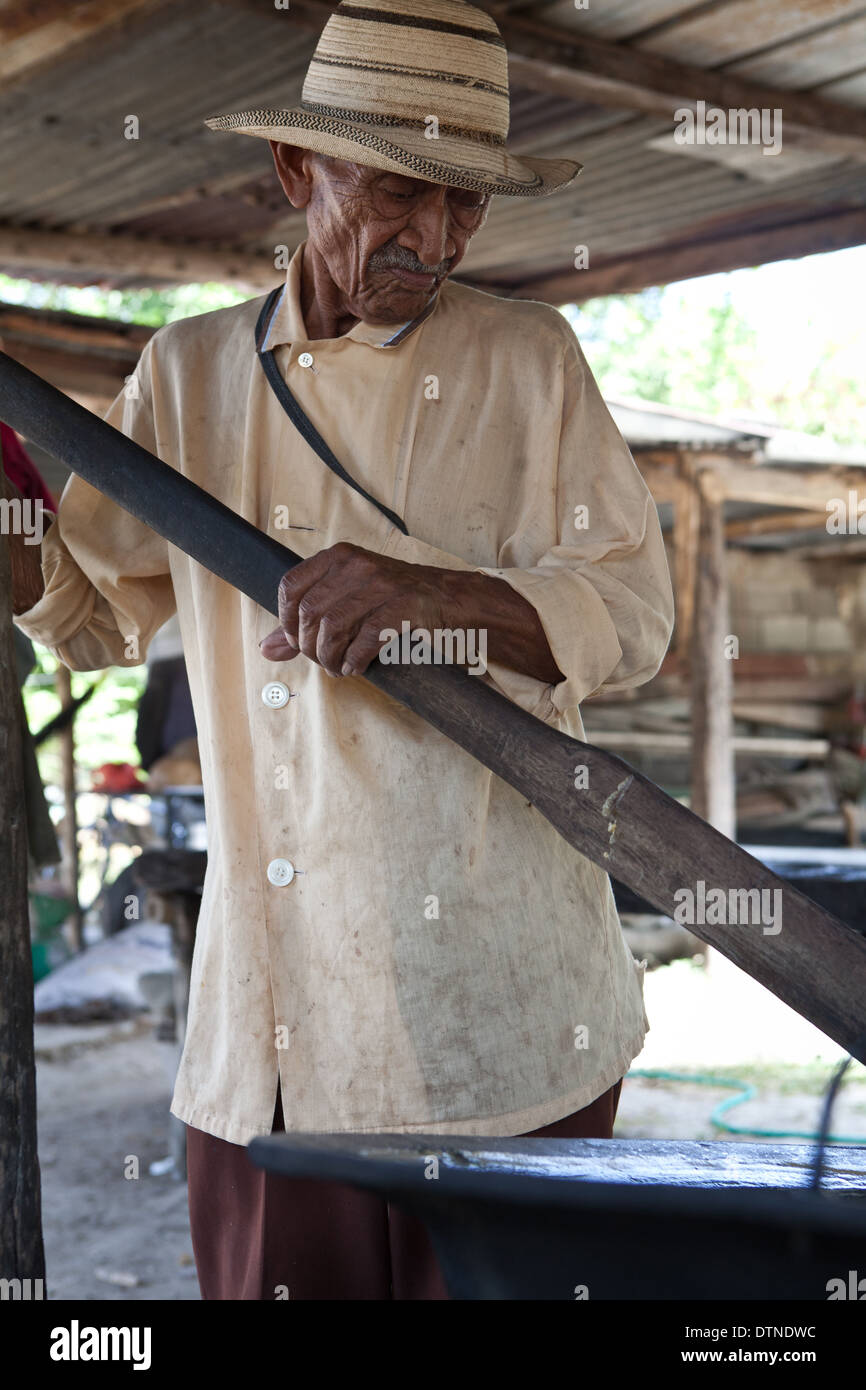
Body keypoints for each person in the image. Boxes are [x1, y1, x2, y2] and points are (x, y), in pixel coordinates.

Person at [10, 0, 674, 1299]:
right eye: (398, 191)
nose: (432, 236)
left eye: (462, 202)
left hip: (499, 1004)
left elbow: (633, 611)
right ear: (293, 171)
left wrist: (431, 592)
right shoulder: (189, 376)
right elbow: (91, 616)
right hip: (277, 1020)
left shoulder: (528, 362)